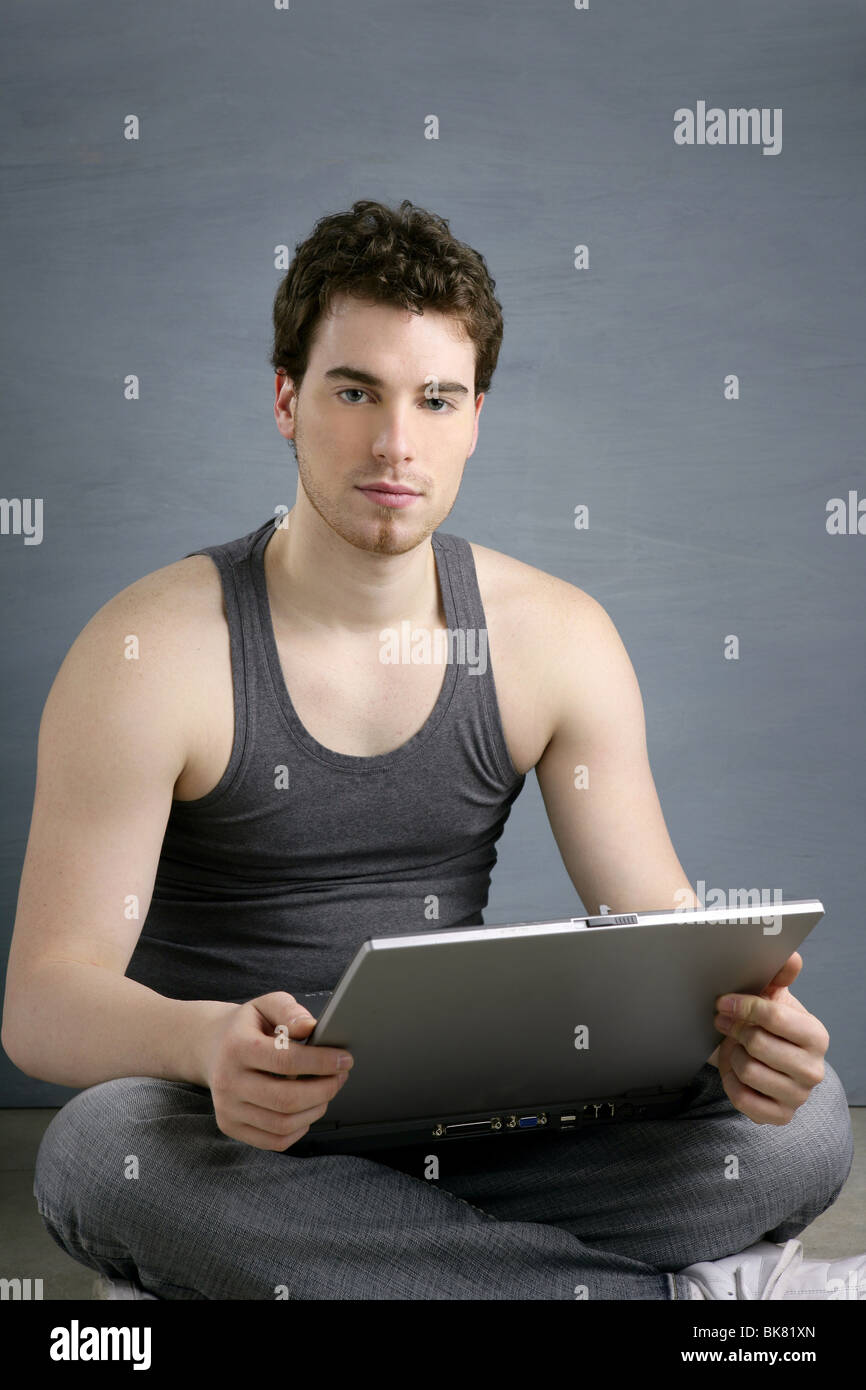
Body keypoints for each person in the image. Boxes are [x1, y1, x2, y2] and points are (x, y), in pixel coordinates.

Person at [2, 199, 859, 1301]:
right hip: (239, 1135)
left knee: (803, 1123)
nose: (393, 443)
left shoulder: (554, 635)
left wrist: (745, 1028)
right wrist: (207, 1042)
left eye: (434, 398)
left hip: (477, 1123)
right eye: (353, 390)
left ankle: (397, 1280)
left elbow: (660, 934)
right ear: (285, 402)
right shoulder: (149, 651)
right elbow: (43, 1002)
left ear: (474, 419)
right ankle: (667, 1305)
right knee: (94, 1154)